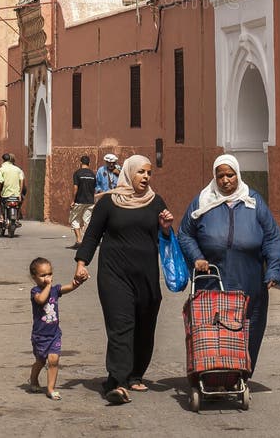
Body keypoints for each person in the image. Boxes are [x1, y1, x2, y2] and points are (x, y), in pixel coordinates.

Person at [74, 155, 174, 405]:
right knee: (121, 325)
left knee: (145, 324)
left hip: (147, 276)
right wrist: (81, 263)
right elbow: (92, 235)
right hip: (114, 275)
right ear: (129, 173)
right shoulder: (109, 202)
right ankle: (116, 381)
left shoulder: (155, 201)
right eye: (141, 172)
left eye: (149, 173)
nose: (146, 177)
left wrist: (165, 228)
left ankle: (135, 373)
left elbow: (167, 239)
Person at [178, 153, 280, 375]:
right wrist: (197, 257)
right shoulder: (202, 201)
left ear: (238, 175)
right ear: (214, 177)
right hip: (212, 279)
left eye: (230, 175)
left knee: (249, 328)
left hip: (249, 279)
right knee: (212, 330)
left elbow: (272, 236)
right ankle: (212, 373)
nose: (225, 180)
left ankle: (241, 375)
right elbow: (185, 234)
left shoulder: (253, 201)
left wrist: (274, 270)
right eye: (220, 176)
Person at [29, 256, 87, 398]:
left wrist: (78, 282)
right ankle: (34, 378)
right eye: (42, 275)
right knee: (41, 361)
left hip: (54, 334)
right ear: (34, 277)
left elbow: (69, 287)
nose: (47, 278)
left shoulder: (55, 289)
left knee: (54, 360)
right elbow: (41, 300)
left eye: (49, 274)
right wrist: (47, 286)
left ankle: (50, 389)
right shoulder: (35, 291)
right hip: (40, 335)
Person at [69, 154, 96, 248]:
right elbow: (94, 189)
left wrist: (73, 200)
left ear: (80, 163)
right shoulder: (93, 174)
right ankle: (88, 242)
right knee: (87, 222)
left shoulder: (77, 173)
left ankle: (79, 241)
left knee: (75, 220)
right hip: (90, 201)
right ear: (89, 163)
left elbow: (75, 188)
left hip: (79, 201)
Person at [0, 153, 25, 225]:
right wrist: (20, 194)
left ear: (3, 160)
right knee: (20, 202)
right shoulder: (18, 169)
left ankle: (1, 217)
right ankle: (17, 217)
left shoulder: (1, 169)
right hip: (16, 195)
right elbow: (22, 181)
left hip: (6, 195)